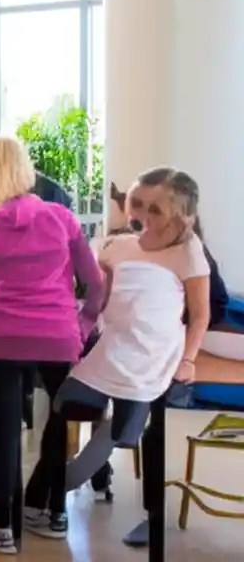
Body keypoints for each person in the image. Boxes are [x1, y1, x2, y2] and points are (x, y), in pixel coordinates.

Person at [0, 136, 105, 555]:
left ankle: (4, 529)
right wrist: (83, 323)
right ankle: (55, 514)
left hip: (0, 339)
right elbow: (95, 283)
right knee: (58, 421)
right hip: (58, 338)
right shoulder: (62, 218)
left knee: (2, 431)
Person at [51, 168, 212, 549]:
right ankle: (55, 489)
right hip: (113, 345)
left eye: (155, 209)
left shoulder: (189, 253)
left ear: (181, 215)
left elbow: (201, 313)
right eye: (137, 204)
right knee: (67, 403)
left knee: (125, 431)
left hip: (153, 355)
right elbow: (98, 295)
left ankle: (65, 487)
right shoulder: (119, 245)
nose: (142, 215)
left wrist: (188, 359)